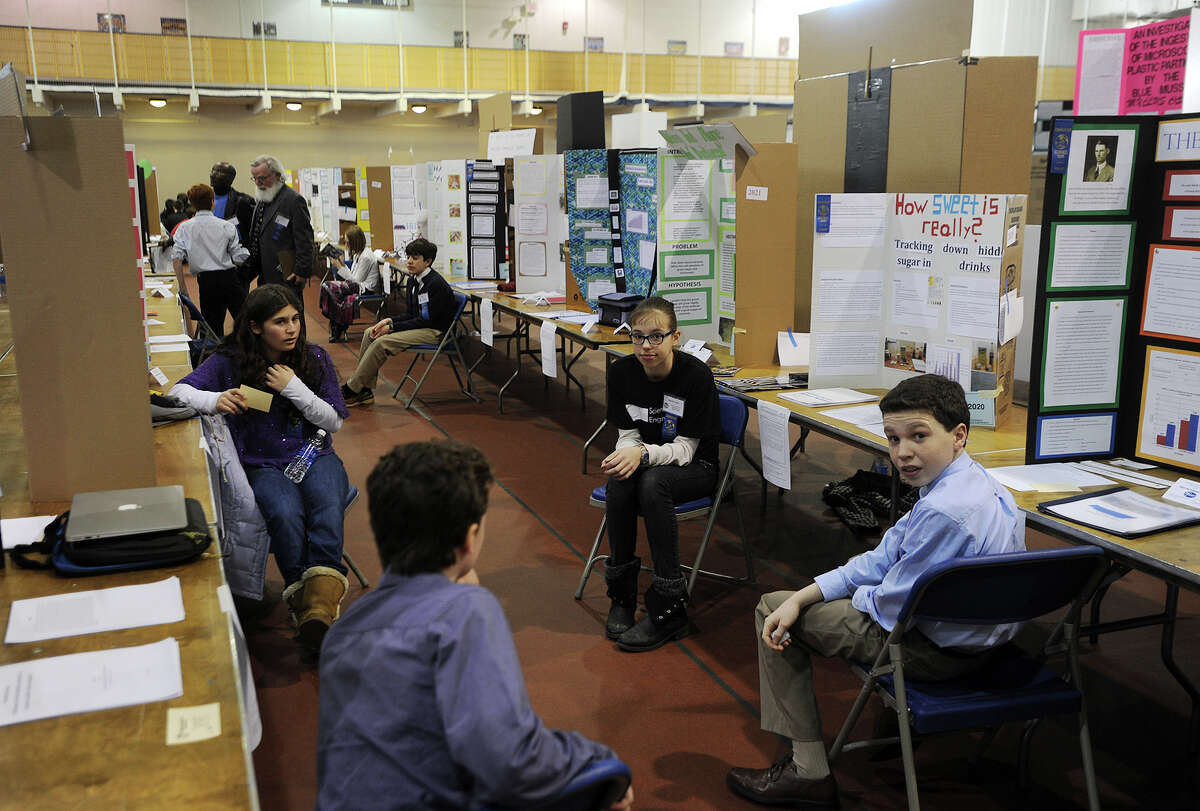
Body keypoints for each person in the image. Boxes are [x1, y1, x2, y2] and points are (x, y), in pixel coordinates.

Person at [726, 374, 1026, 808]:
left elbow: (889, 607)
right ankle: (895, 732)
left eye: (918, 436)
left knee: (769, 609)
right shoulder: (976, 482)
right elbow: (885, 554)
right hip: (981, 640)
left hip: (936, 653)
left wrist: (810, 599)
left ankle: (807, 770)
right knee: (804, 598)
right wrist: (808, 594)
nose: (903, 453)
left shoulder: (945, 511)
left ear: (958, 434)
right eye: (893, 438)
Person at [317, 440, 634, 811]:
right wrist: (595, 761)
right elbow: (510, 760)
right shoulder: (465, 610)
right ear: (469, 540)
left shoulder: (342, 631)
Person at [169, 284, 351, 653]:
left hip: (316, 454)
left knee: (327, 507)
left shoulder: (314, 358)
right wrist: (216, 398)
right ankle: (311, 606)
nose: (292, 329)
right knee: (285, 514)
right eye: (280, 322)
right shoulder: (230, 362)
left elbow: (333, 422)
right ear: (254, 327)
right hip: (263, 464)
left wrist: (293, 387)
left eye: (296, 319)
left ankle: (315, 608)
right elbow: (177, 393)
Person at [600, 297, 721, 653]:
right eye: (637, 337)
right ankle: (622, 596)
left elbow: (685, 450)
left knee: (654, 483)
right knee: (620, 482)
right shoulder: (621, 373)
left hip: (696, 467)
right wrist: (628, 454)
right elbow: (627, 433)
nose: (645, 346)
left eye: (656, 336)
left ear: (675, 337)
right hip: (649, 459)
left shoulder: (695, 376)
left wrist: (641, 455)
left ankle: (670, 608)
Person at [340, 238, 453, 407]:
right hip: (421, 325)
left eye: (415, 258)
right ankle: (364, 390)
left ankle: (352, 388)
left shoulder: (435, 284)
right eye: (408, 257)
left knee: (382, 343)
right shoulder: (414, 280)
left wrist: (392, 327)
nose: (409, 261)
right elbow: (410, 314)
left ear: (428, 261)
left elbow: (425, 320)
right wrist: (389, 320)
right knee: (369, 333)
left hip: (434, 331)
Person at [170, 183, 249, 337]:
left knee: (211, 329)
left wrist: (182, 286)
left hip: (207, 282)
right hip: (230, 278)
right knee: (245, 322)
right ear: (213, 202)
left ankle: (213, 358)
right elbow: (237, 256)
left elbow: (176, 258)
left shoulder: (184, 228)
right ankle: (248, 355)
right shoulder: (226, 226)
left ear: (192, 204)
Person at [244, 155, 315, 291]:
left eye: (262, 178)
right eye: (255, 179)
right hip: (264, 272)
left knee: (289, 309)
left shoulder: (294, 200)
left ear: (277, 175)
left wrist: (302, 270)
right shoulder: (262, 198)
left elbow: (305, 239)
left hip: (286, 273)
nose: (258, 183)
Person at [319, 225, 381, 343]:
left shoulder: (366, 257)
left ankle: (337, 323)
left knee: (328, 286)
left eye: (348, 242)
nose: (346, 245)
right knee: (329, 287)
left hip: (365, 288)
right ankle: (337, 323)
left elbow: (355, 281)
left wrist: (339, 267)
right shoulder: (359, 253)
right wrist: (342, 265)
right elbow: (352, 276)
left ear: (354, 242)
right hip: (358, 285)